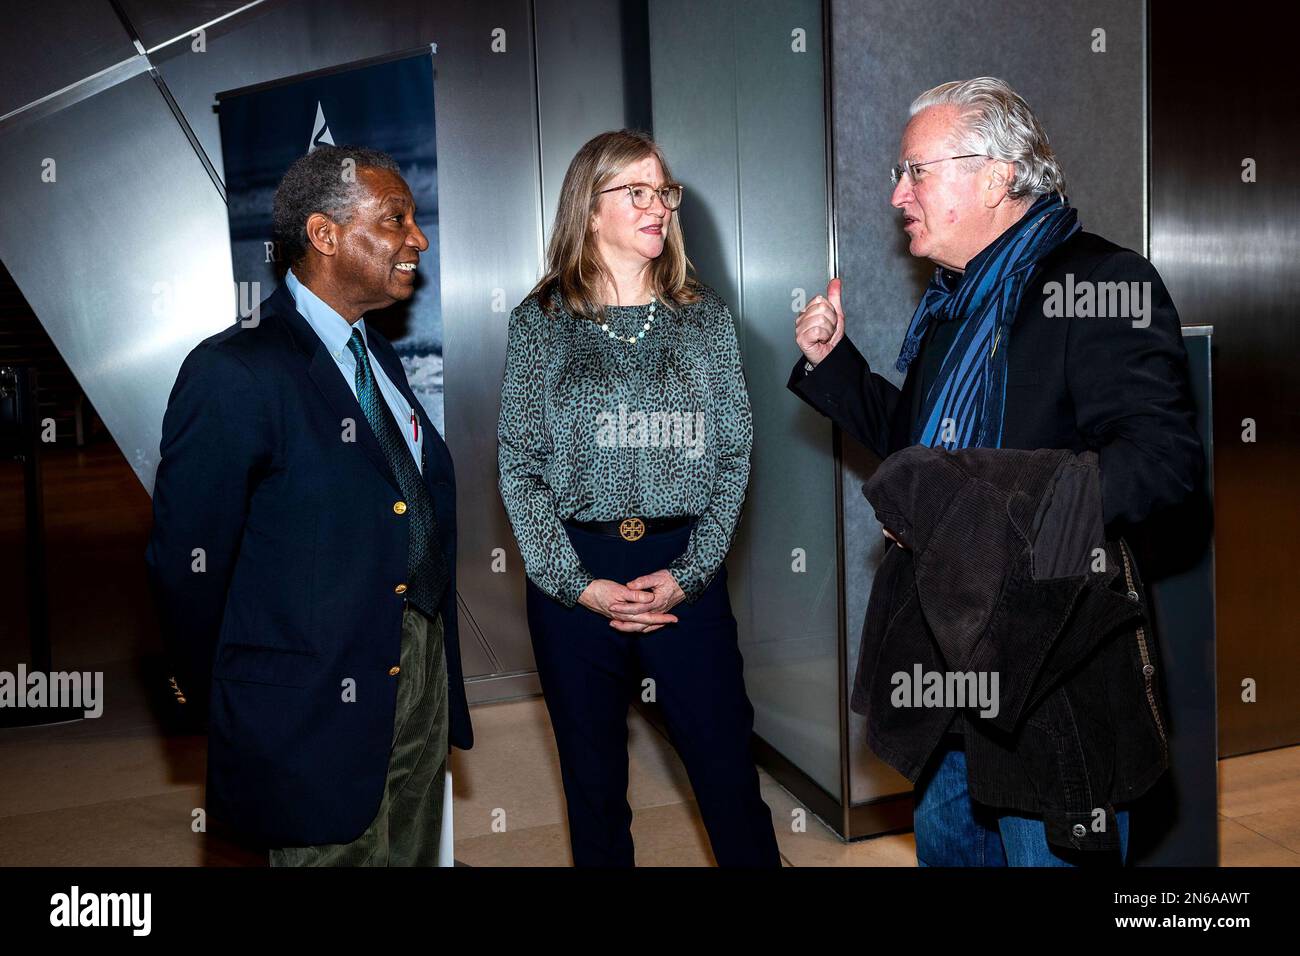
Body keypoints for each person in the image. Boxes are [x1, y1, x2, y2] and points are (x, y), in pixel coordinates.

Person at [788, 78, 1202, 866]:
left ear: (995, 177)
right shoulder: (957, 302)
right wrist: (834, 366)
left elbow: (1161, 463)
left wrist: (1000, 522)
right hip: (948, 660)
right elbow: (923, 453)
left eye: (915, 172)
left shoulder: (1101, 284)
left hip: (1051, 671)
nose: (897, 195)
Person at [147, 144, 472, 866]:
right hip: (310, 695)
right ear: (324, 235)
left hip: (417, 660)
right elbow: (187, 566)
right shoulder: (234, 370)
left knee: (412, 850)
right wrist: (237, 696)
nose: (417, 239)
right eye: (395, 219)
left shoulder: (378, 355)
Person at [498, 129, 780, 867]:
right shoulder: (541, 320)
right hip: (575, 574)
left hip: (684, 570)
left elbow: (732, 454)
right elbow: (520, 465)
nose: (659, 206)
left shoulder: (703, 316)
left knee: (726, 774)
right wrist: (574, 584)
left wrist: (692, 573)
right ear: (590, 210)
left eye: (664, 192)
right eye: (637, 191)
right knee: (593, 789)